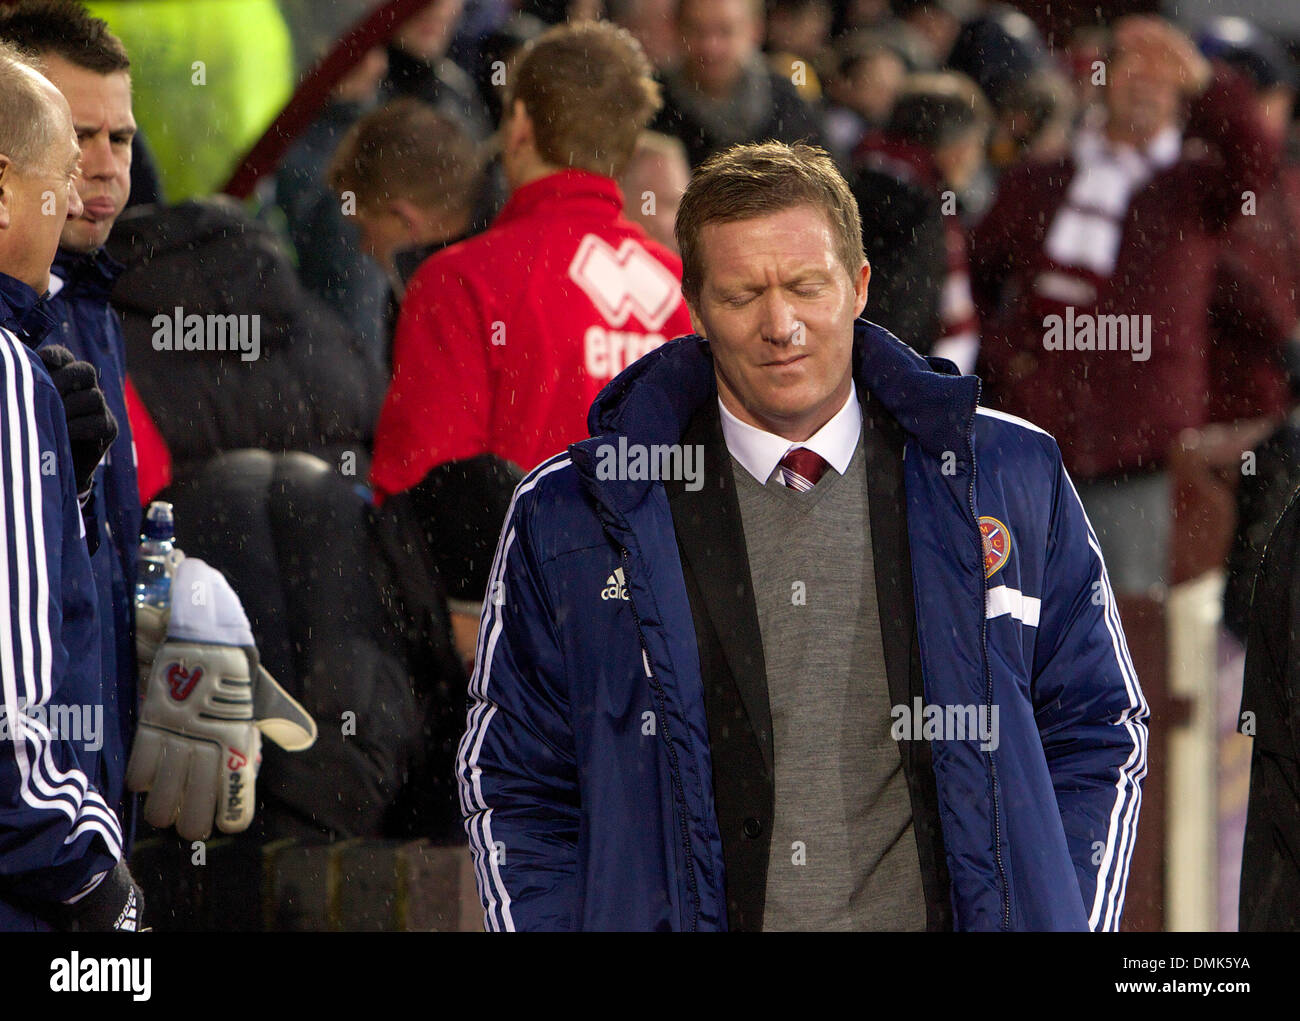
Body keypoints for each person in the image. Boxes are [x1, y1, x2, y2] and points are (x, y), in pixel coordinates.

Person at [457, 141, 1147, 931]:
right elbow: (512, 783)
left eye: (806, 286)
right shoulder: (573, 512)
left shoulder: (1008, 475)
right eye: (744, 293)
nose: (779, 325)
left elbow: (1100, 728)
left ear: (858, 287)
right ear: (696, 308)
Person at [972, 15, 1280, 593]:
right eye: (1131, 69)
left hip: (1144, 452)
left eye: (1162, 77)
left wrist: (1208, 79)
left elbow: (1256, 158)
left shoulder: (1195, 187)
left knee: (1133, 628)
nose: (1144, 86)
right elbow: (977, 273)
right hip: (1037, 443)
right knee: (1023, 614)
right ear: (1101, 79)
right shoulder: (1041, 178)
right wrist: (1007, 358)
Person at [0, 39, 143, 932]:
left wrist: (75, 498)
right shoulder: (8, 370)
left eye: (119, 139)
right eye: (65, 162)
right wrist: (98, 880)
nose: (87, 182)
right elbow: (9, 720)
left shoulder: (65, 330)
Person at [327, 98, 484, 371]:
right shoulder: (513, 272)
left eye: (364, 228)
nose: (364, 247)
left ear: (403, 218)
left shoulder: (436, 310)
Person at [851, 71, 989, 371]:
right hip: (890, 379)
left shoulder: (850, 179)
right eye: (976, 144)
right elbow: (902, 318)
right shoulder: (923, 212)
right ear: (955, 149)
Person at [650, 0, 828, 168]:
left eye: (725, 31)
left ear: (755, 30)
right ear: (677, 29)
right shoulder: (652, 102)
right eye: (696, 30)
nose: (710, 46)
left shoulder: (787, 103)